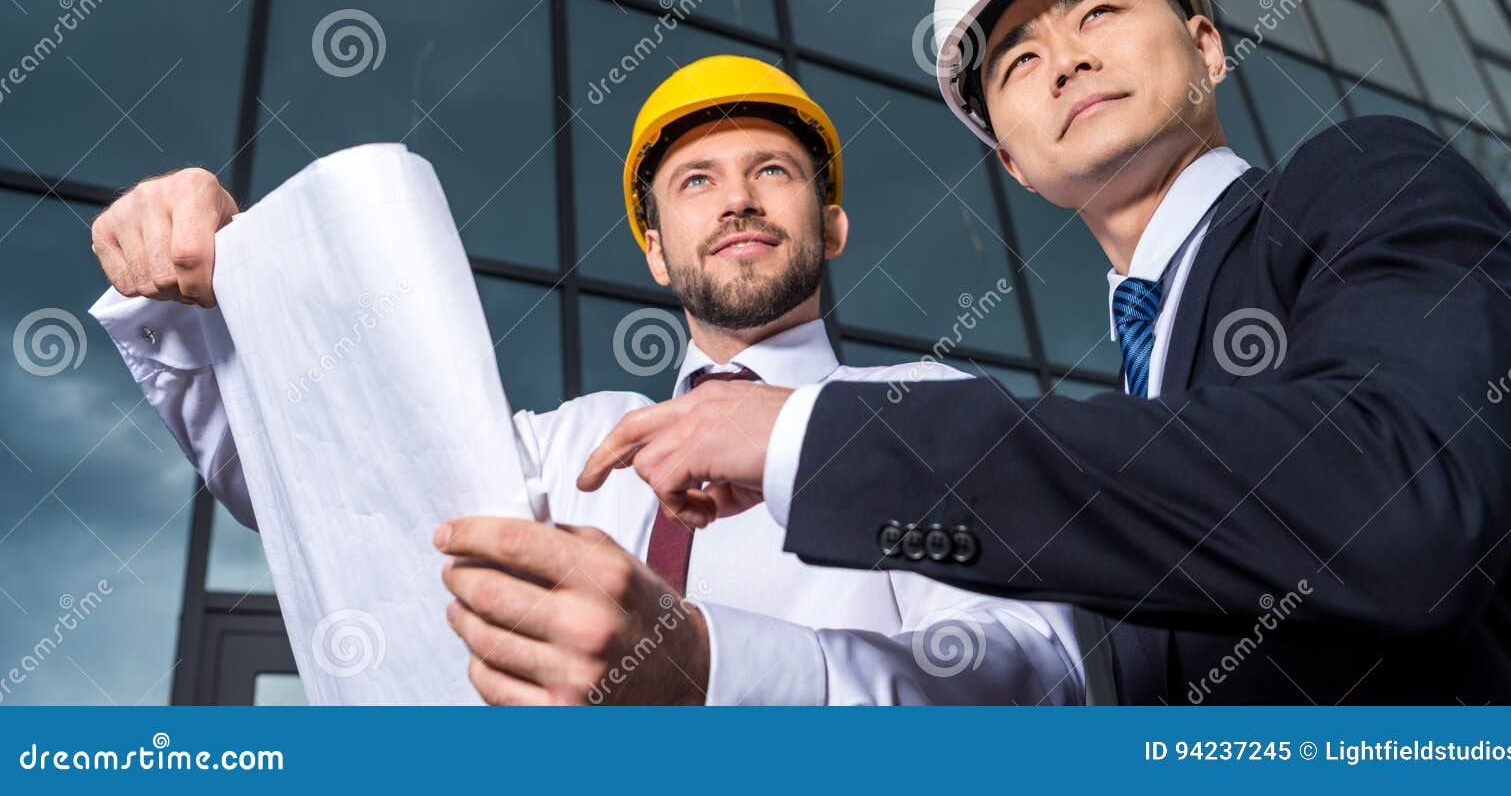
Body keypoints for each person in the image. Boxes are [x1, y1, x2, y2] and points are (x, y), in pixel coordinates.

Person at [581, 0, 1511, 704]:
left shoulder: (1361, 183)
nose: (1063, 58)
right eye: (1018, 60)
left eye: (1099, 12)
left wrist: (817, 440)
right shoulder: (1132, 391)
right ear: (1015, 165)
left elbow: (1397, 505)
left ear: (1205, 45)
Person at [88, 54, 1101, 706]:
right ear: (657, 254)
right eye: (696, 182)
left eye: (773, 171)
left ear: (831, 226)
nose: (737, 199)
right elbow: (332, 483)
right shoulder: (560, 446)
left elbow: (1028, 677)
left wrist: (718, 669)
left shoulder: (922, 411)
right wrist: (216, 290)